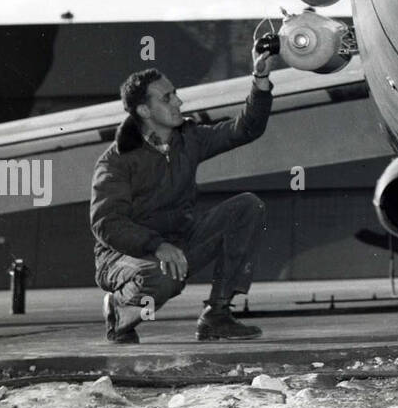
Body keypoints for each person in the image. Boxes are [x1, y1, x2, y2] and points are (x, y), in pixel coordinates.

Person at [90, 43, 274, 342]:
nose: (179, 101)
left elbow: (245, 129)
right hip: (123, 256)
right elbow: (105, 224)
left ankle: (217, 314)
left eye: (175, 93)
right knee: (162, 277)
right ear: (144, 110)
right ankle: (119, 309)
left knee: (247, 207)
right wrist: (157, 244)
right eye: (168, 98)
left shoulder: (189, 139)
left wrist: (260, 82)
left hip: (178, 242)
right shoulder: (115, 161)